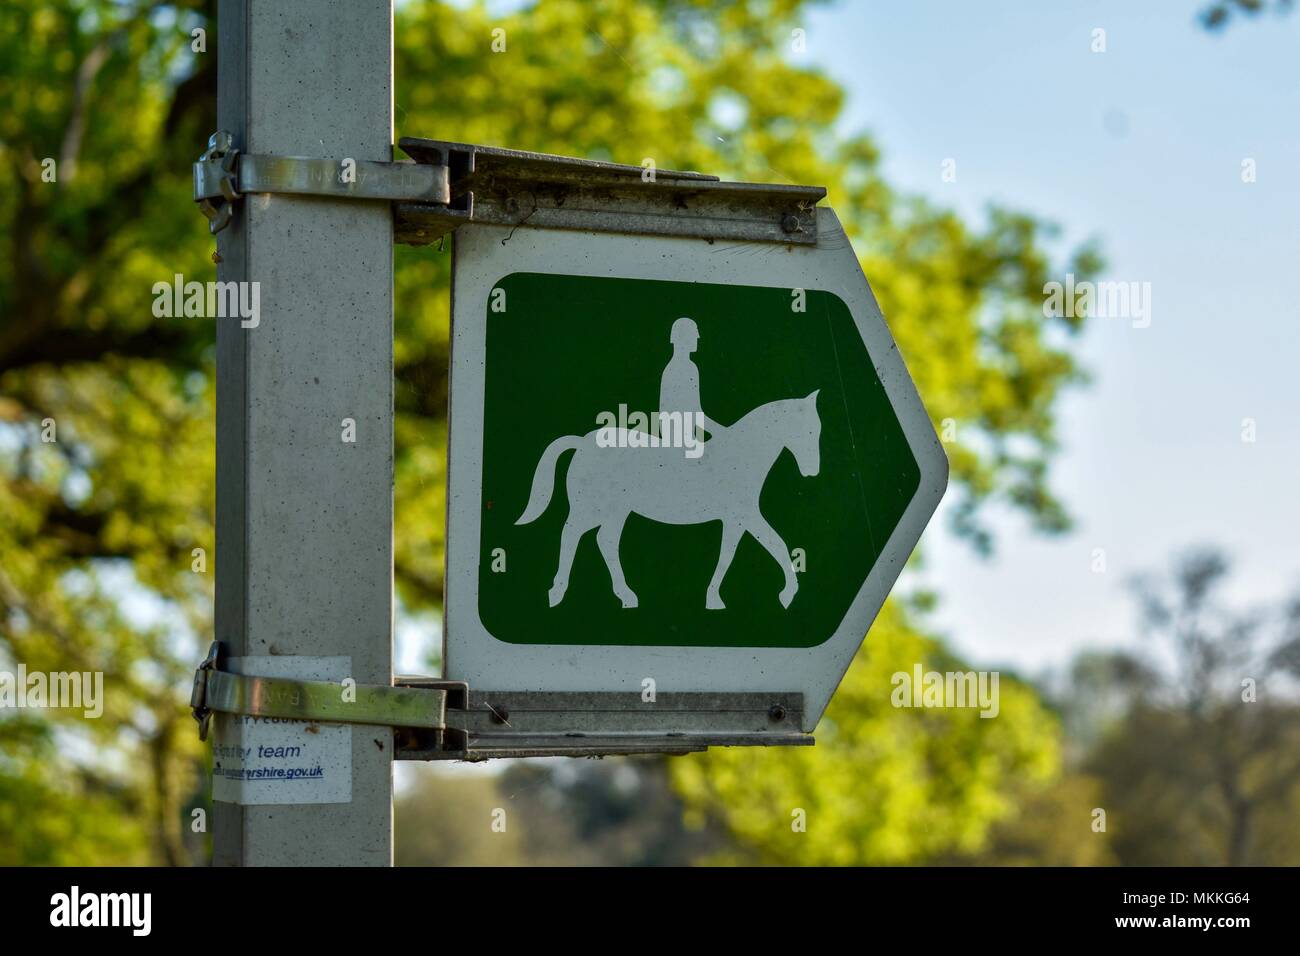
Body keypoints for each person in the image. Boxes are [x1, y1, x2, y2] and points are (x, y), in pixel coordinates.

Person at [658, 317, 725, 452]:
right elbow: (694, 411)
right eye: (694, 335)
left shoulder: (677, 367)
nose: (698, 339)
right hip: (681, 440)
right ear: (684, 339)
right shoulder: (686, 368)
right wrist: (722, 432)